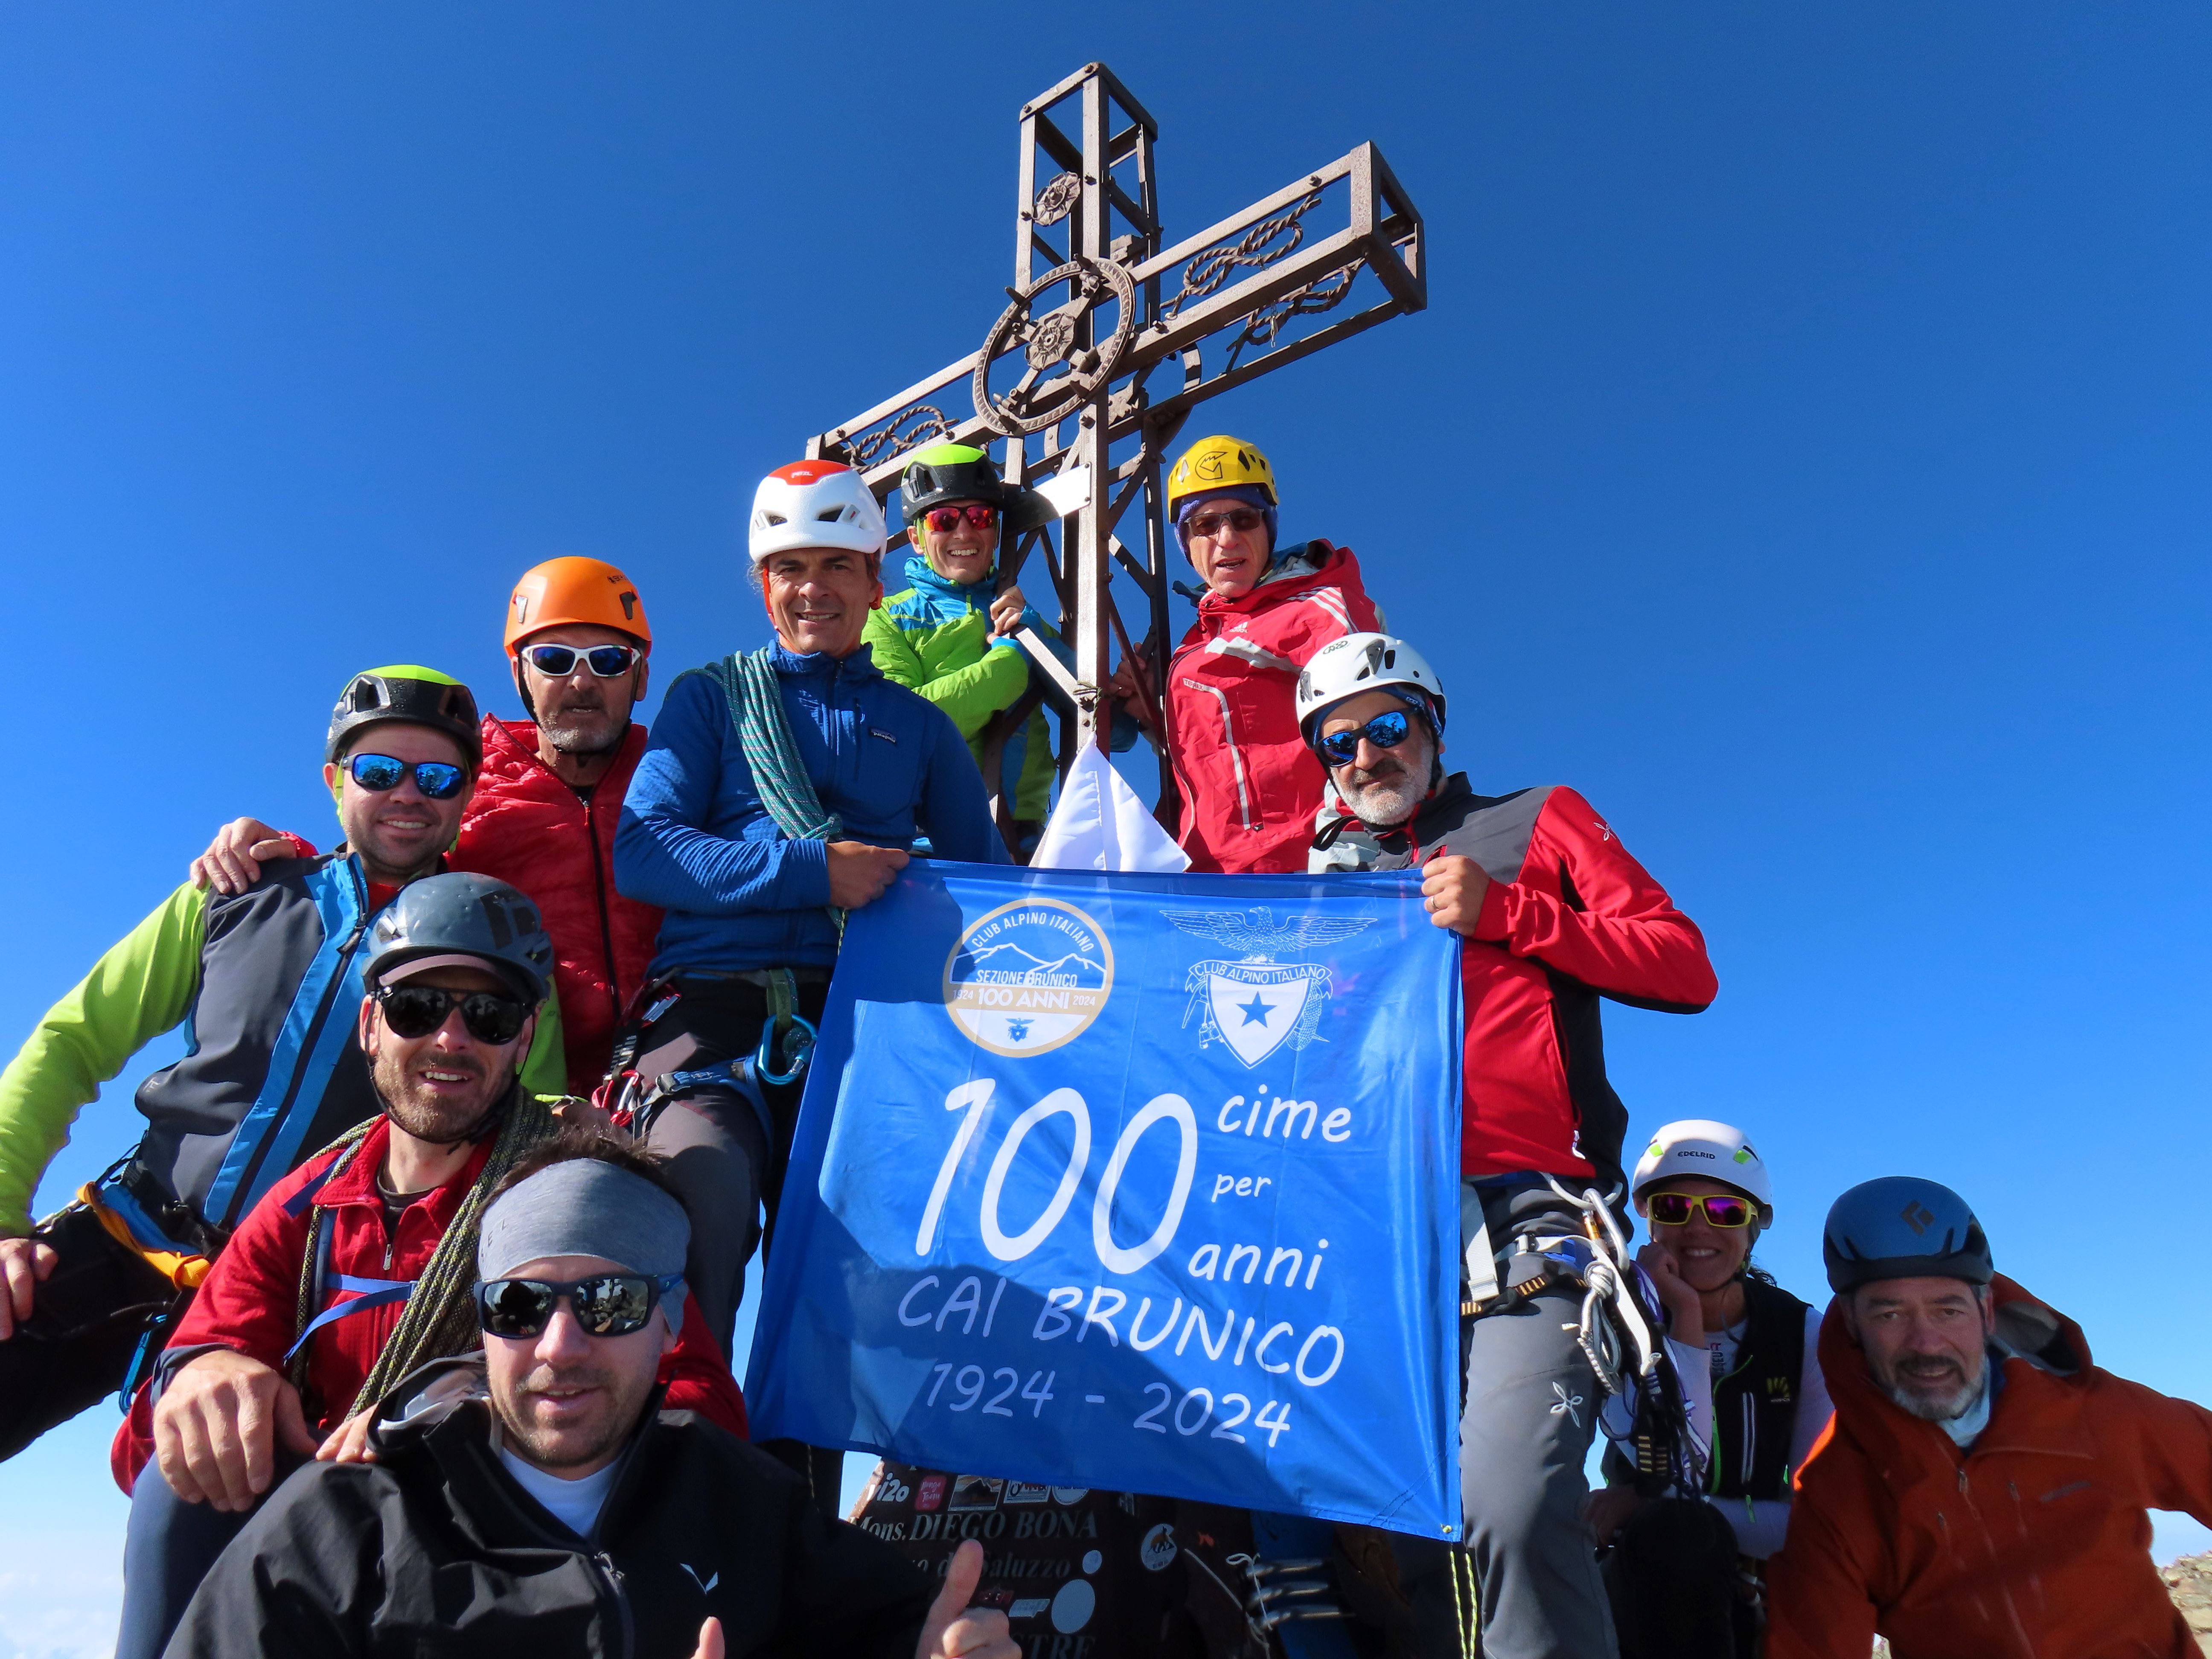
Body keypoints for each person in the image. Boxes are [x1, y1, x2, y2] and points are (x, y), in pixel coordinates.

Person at [109, 876, 745, 1659]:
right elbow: (145, 1444)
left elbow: (700, 1407)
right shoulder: (309, 1202)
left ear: (525, 1036)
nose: (452, 1038)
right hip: (337, 1549)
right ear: (371, 1023)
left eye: (489, 1014)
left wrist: (483, 1405)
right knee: (185, 1491)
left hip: (510, 1549)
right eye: (418, 1007)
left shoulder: (574, 1195)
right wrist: (204, 1371)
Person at [165, 1126, 1018, 1659]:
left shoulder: (743, 1507)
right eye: (521, 1305)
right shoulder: (348, 1526)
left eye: (611, 1304)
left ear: (669, 1321)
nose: (561, 1346)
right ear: (483, 1322)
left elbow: (897, 1633)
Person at [0, 667, 563, 1463]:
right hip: (132, 1233)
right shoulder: (231, 893)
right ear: (335, 781)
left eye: (437, 777)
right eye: (377, 772)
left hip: (302, 1297)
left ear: (467, 795)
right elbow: (74, 1039)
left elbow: (529, 1123)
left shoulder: (497, 955)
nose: (408, 794)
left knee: (220, 1541)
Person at [1299, 630, 1719, 1659]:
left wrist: (1512, 914)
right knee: (1413, 1530)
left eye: (1388, 726)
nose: (1366, 756)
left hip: (1533, 1213)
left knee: (1511, 1502)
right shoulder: (1313, 884)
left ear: (1432, 726)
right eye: (1336, 742)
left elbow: (1683, 964)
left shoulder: (1534, 817)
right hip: (1378, 1230)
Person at [612, 457, 1010, 1368]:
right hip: (704, 1010)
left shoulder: (919, 728)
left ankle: (788, 1501)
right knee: (693, 1198)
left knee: (846, 1274)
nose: (814, 588)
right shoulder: (710, 700)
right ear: (764, 589)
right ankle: (681, 1473)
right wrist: (812, 873)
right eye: (792, 568)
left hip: (859, 1018)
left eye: (838, 567)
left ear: (877, 582)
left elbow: (993, 890)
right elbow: (645, 849)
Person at [188, 557, 663, 1096]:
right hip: (512, 1090)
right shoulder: (463, 788)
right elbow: (386, 856)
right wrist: (290, 862)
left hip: (673, 1069)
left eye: (608, 660)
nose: (581, 681)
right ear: (520, 676)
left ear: (641, 675)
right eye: (553, 659)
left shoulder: (686, 775)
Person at [1766, 1176, 2212, 1659]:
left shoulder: (2092, 1413)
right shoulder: (1838, 1493)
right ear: (1853, 1324)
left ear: (1987, 1310)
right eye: (1889, 1315)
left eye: (1948, 1310)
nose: (1926, 1344)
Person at [1588, 1121, 1830, 1659]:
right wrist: (1684, 1317)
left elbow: (1815, 1521)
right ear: (1649, 1224)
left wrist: (1640, 1503)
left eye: (1724, 1212)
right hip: (1644, 1584)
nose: (1698, 1230)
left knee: (1684, 1529)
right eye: (1673, 1209)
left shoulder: (1802, 1333)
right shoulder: (1606, 1322)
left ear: (1752, 1232)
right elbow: (1683, 1469)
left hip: (1762, 1591)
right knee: (1679, 1539)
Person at [1106, 434, 1380, 873]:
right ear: (1186, 541)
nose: (1227, 538)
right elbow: (1224, 760)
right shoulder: (1195, 644)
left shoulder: (1318, 608)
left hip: (1304, 876)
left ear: (1268, 526)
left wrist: (1348, 861)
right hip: (1210, 882)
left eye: (1245, 518)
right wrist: (1157, 712)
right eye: (1205, 525)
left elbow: (1376, 735)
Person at [864, 443, 1067, 849]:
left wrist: (1035, 635)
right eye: (943, 520)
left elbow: (1114, 733)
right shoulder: (885, 616)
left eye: (980, 516)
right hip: (927, 851)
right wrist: (1006, 667)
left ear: (994, 530)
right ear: (917, 539)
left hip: (1023, 848)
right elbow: (898, 729)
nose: (964, 532)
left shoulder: (1020, 618)